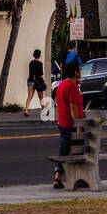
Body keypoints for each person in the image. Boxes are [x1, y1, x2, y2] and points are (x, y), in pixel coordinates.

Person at [53, 60, 85, 189]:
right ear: (75, 72)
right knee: (78, 152)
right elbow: (73, 108)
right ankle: (77, 178)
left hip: (62, 122)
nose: (81, 72)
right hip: (71, 124)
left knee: (63, 151)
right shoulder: (72, 86)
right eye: (80, 70)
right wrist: (78, 125)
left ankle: (57, 178)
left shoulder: (61, 85)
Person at [23, 48, 47, 117]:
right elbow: (41, 73)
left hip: (30, 81)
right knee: (41, 98)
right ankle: (45, 112)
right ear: (39, 56)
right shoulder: (40, 64)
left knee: (30, 96)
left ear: (34, 55)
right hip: (38, 82)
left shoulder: (31, 63)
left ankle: (26, 110)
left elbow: (31, 72)